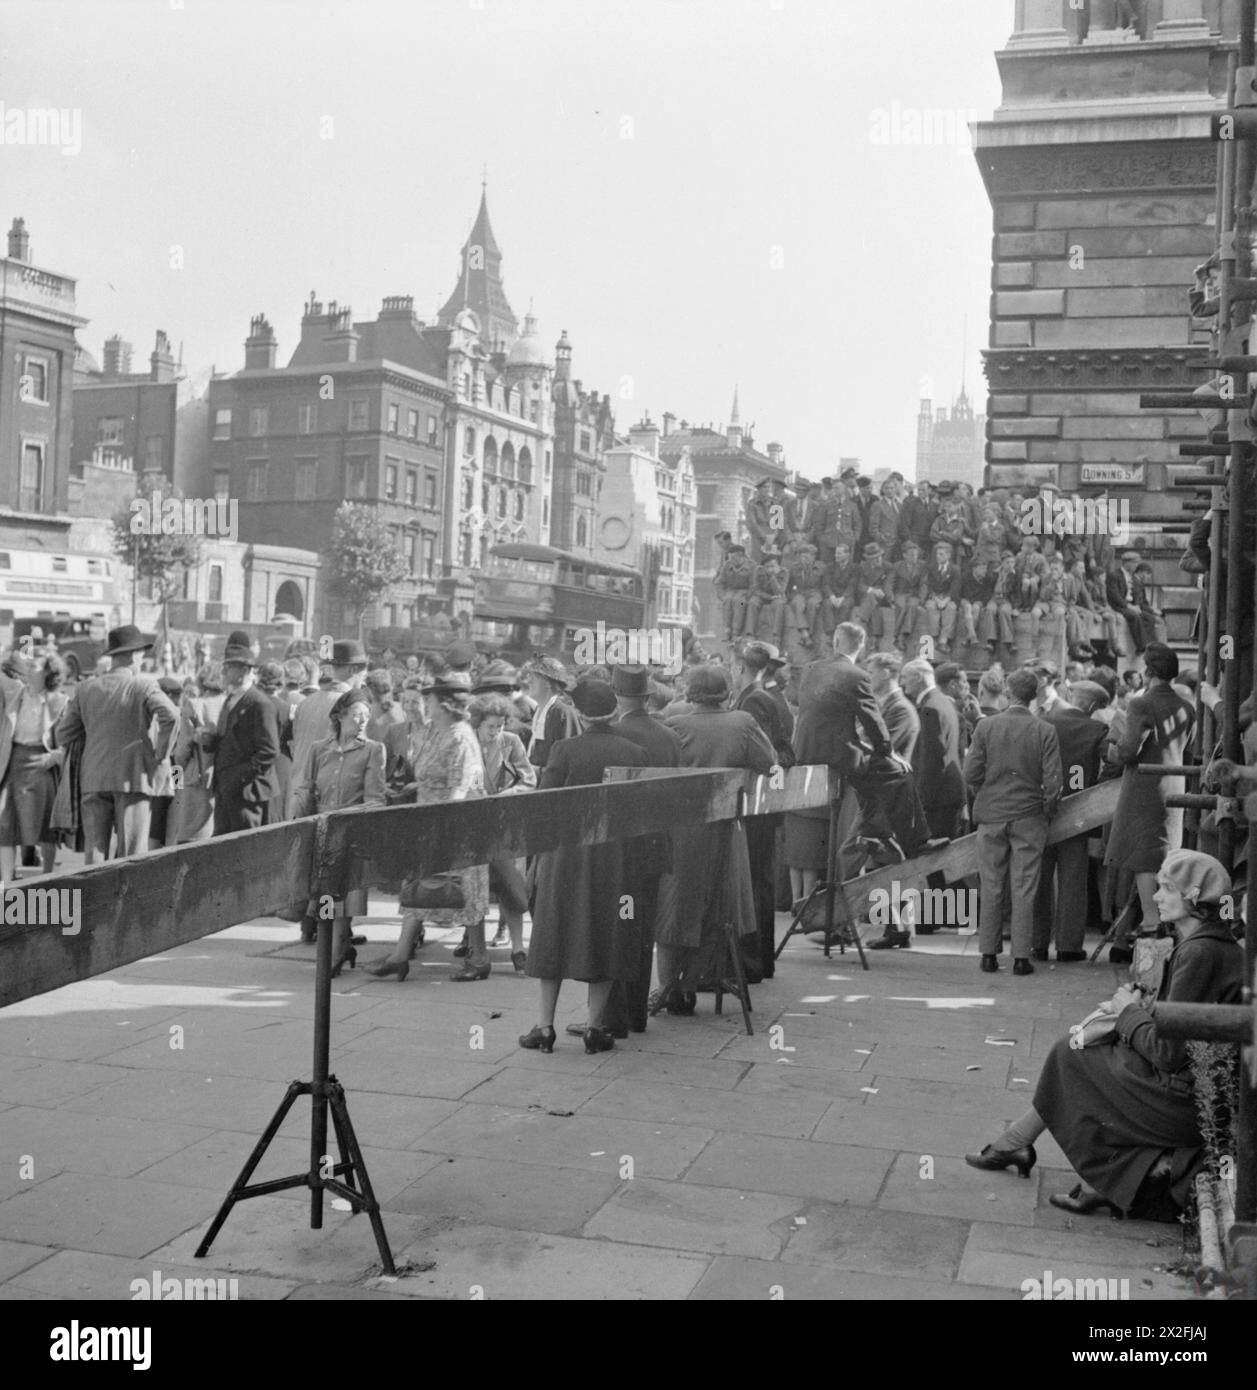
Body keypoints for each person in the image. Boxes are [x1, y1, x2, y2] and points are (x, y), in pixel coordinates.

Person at [966, 849, 1244, 1221]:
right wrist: (1139, 1008)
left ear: (1193, 899)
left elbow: (1168, 1053)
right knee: (1076, 1052)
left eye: (1166, 889)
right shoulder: (1208, 945)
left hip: (1187, 1105)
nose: (1156, 896)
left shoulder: (1199, 953)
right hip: (1197, 1093)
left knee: (1072, 1056)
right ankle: (1027, 1149)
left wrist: (1128, 1011)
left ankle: (1028, 1149)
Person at [519, 680, 648, 1054]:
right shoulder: (635, 753)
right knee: (609, 933)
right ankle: (595, 1027)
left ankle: (545, 1027)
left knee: (553, 931)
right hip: (614, 859)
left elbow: (543, 806)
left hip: (566, 857)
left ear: (578, 712)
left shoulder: (564, 750)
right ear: (614, 710)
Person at [650, 665, 774, 1012]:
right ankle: (693, 982)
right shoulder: (743, 723)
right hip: (726, 831)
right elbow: (770, 763)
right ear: (726, 692)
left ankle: (669, 989)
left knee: (674, 910)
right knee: (721, 909)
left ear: (690, 692)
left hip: (683, 831)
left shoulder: (675, 724)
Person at [365, 671, 490, 983]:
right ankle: (400, 956)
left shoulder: (460, 737)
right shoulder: (438, 731)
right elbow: (433, 774)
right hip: (430, 822)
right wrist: (412, 788)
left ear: (445, 705)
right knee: (418, 889)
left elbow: (459, 788)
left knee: (462, 891)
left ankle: (478, 957)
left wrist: (442, 831)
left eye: (430, 700)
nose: (426, 704)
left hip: (453, 827)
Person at [963, 667, 1063, 975]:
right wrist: (1046, 810)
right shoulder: (1045, 730)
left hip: (992, 815)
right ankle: (1021, 958)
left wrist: (986, 793)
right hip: (1029, 816)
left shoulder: (986, 726)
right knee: (1024, 887)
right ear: (1034, 695)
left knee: (991, 884)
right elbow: (1054, 782)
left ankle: (988, 955)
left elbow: (970, 773)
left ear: (1008, 692)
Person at [54, 625, 178, 863]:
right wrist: (161, 754)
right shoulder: (143, 686)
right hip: (134, 777)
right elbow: (171, 716)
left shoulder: (86, 688)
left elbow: (63, 734)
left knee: (95, 853)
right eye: (141, 653)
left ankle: (95, 888)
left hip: (93, 777)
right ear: (133, 655)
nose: (142, 658)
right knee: (132, 854)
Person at [788, 621, 891, 905]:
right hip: (838, 759)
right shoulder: (857, 675)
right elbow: (872, 720)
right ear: (862, 646)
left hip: (805, 752)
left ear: (835, 641)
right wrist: (886, 749)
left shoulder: (811, 669)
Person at [1103, 643, 1195, 962]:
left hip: (1144, 788)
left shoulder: (1140, 703)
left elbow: (1128, 751)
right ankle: (1145, 927)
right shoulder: (1187, 707)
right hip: (1175, 787)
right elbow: (1188, 751)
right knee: (1162, 857)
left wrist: (1111, 750)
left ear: (1148, 671)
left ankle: (1151, 925)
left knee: (1142, 858)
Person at [290, 687, 386, 977]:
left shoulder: (373, 750)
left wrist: (354, 821)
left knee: (345, 895)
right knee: (324, 895)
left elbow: (375, 799)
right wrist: (299, 817)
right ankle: (334, 945)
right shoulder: (319, 749)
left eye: (366, 716)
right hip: (321, 829)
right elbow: (306, 788)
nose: (362, 721)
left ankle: (337, 947)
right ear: (340, 716)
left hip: (352, 830)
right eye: (356, 715)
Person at [608, 664, 682, 1028]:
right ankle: (637, 1014)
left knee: (619, 926)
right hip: (656, 844)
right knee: (643, 929)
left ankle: (615, 1015)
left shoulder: (615, 734)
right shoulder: (669, 736)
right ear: (646, 697)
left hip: (622, 850)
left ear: (618, 696)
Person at [1031, 679, 1109, 963]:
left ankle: (1037, 943)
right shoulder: (1097, 729)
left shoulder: (1045, 722)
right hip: (1078, 813)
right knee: (1073, 882)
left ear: (1072, 696)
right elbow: (1113, 762)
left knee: (1039, 880)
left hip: (1041, 810)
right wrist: (1097, 787)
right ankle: (1068, 946)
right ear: (1093, 705)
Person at [470, 691, 535, 970]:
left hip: (507, 828)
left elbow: (529, 780)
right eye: (490, 726)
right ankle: (473, 945)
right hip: (474, 827)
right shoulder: (468, 743)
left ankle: (518, 948)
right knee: (475, 887)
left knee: (512, 887)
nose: (495, 732)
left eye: (499, 726)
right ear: (477, 723)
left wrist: (506, 796)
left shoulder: (512, 741)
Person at [204, 633, 281, 835]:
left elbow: (269, 751)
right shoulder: (231, 699)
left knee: (245, 848)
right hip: (226, 791)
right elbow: (228, 740)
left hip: (248, 794)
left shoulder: (260, 704)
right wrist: (209, 741)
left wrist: (236, 779)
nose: (223, 671)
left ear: (244, 670)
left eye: (229, 667)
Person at [0, 653, 68, 877]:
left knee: (46, 826)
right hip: (13, 762)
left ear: (48, 672)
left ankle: (47, 877)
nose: (29, 669)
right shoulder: (17, 694)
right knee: (5, 825)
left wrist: (53, 758)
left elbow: (70, 741)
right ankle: (6, 882)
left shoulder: (59, 701)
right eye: (28, 666)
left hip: (42, 765)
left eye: (35, 666)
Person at [287, 639, 369, 815]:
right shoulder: (353, 706)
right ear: (353, 669)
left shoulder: (306, 703)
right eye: (363, 671)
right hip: (331, 801)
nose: (364, 677)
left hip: (299, 796)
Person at [900, 658, 966, 840]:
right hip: (947, 795)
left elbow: (932, 760)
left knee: (933, 854)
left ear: (918, 677)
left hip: (936, 800)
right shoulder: (941, 702)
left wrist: (920, 803)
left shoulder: (929, 708)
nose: (902, 682)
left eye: (905, 677)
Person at [523, 656, 580, 770]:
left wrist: (538, 771)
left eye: (533, 677)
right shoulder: (540, 711)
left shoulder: (563, 713)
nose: (528, 681)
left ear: (548, 683)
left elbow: (567, 762)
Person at [865, 651, 919, 764]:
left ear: (885, 674)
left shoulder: (901, 709)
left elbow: (881, 749)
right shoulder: (880, 705)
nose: (867, 679)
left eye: (870, 673)